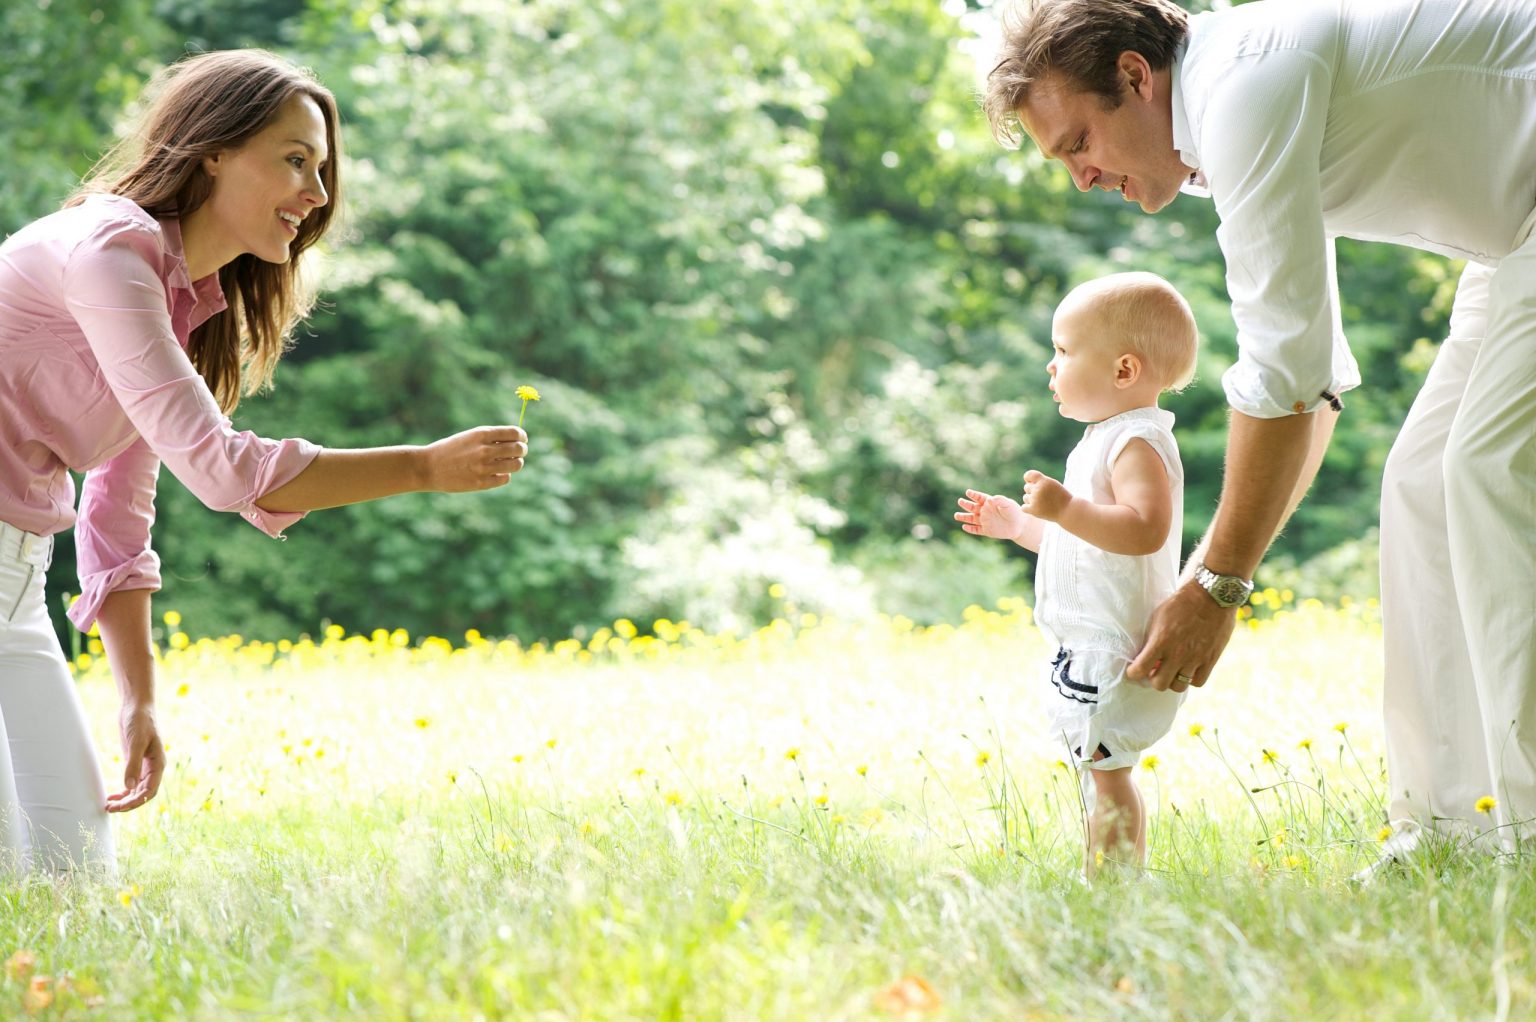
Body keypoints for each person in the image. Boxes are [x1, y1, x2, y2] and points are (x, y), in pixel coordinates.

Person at [982, 0, 1536, 865]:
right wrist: (1217, 581)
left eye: (1080, 143)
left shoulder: (1245, 87)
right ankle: (1450, 830)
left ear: (1136, 76)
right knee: (1420, 485)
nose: (1081, 178)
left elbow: (1283, 376)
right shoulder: (1221, 121)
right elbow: (1312, 387)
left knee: (1487, 470)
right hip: (1511, 240)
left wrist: (1217, 588)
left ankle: (1530, 834)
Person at [0, 50, 529, 873]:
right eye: (294, 161)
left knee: (73, 875)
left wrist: (136, 698)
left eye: (320, 170)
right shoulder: (110, 250)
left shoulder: (173, 304)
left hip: (16, 587)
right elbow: (220, 470)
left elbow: (114, 517)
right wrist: (421, 468)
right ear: (214, 148)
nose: (316, 195)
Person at [954, 271, 1197, 876]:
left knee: (1107, 773)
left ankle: (1113, 886)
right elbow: (1083, 546)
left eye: (1063, 351)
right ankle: (1108, 877)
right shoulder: (1100, 440)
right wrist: (1023, 528)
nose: (1051, 366)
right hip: (1084, 643)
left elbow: (1144, 529)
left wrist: (1065, 508)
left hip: (1116, 647)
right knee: (1098, 770)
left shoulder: (1136, 441)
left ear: (1123, 371)